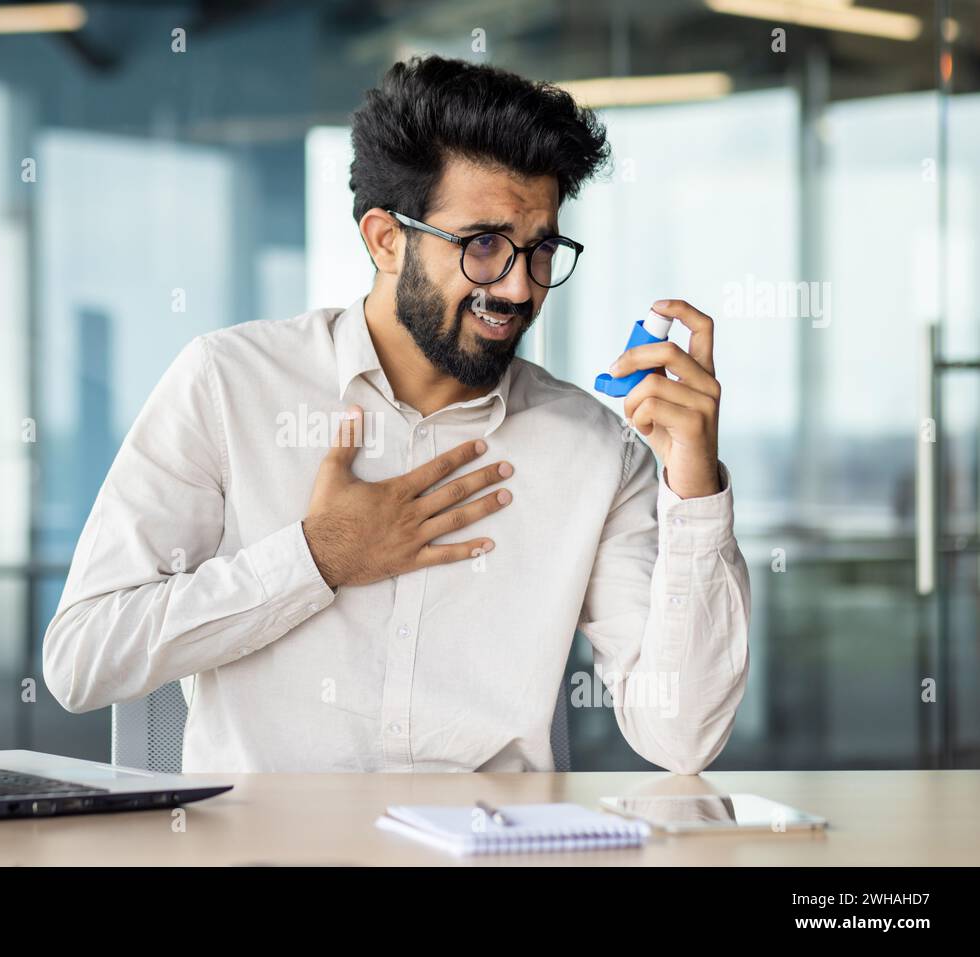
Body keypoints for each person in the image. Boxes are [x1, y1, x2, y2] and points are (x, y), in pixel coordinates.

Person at [43, 55, 750, 774]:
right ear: (386, 238)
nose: (518, 287)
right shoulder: (229, 385)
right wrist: (317, 558)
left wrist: (694, 487)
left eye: (541, 251)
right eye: (483, 246)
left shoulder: (598, 451)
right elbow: (83, 657)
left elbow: (681, 736)